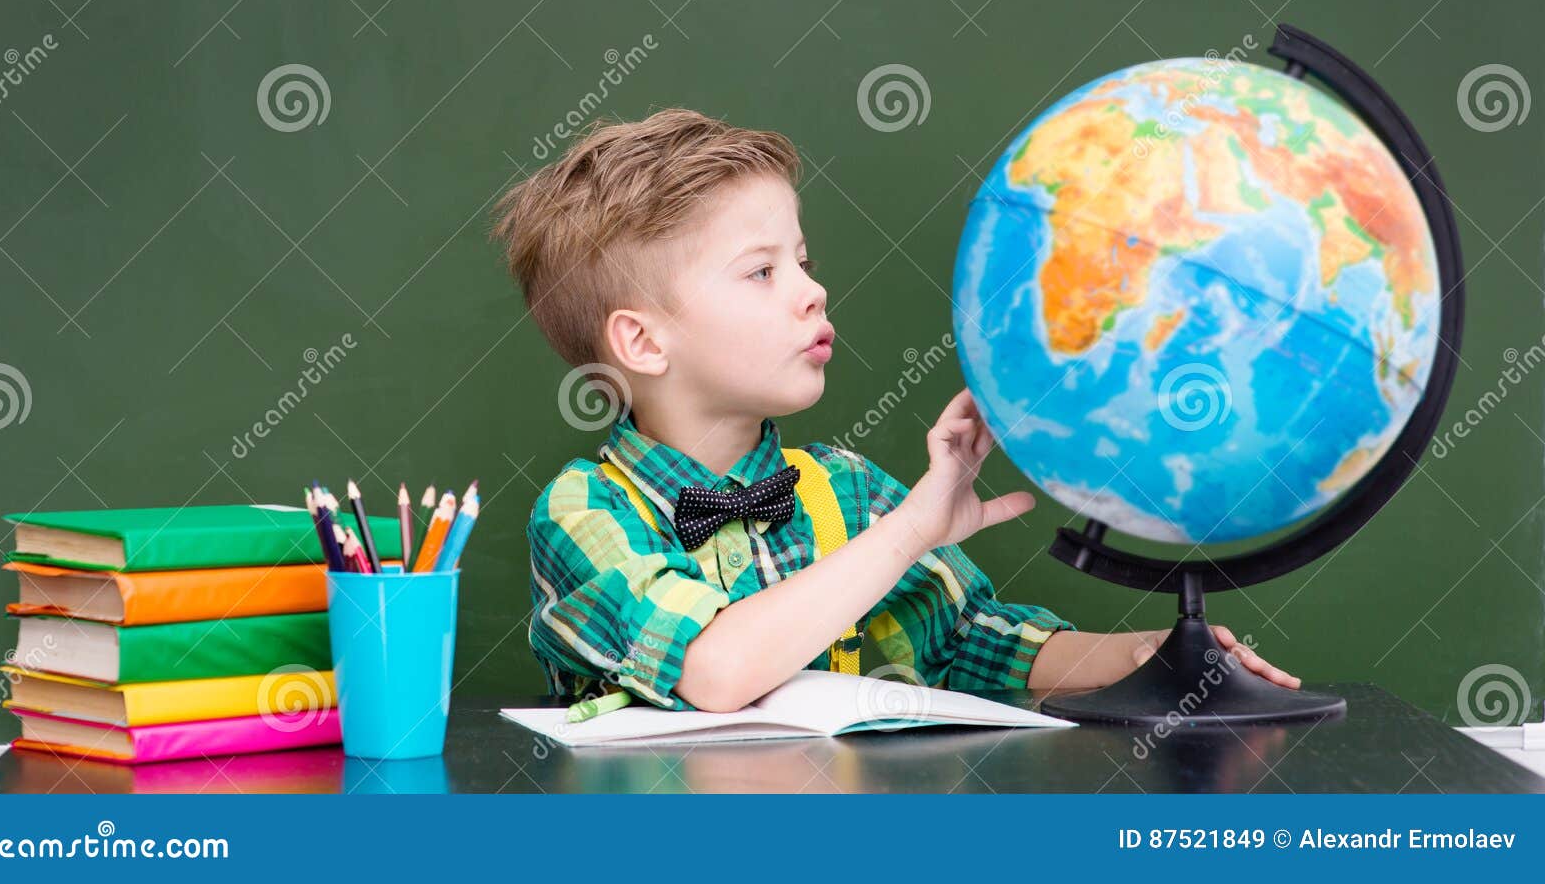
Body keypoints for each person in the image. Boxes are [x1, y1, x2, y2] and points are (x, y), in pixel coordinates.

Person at [490, 108, 1299, 713]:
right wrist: (909, 531)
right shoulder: (582, 512)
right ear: (641, 341)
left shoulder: (849, 493)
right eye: (761, 273)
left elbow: (978, 645)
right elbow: (716, 670)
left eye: (803, 261)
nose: (813, 291)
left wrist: (1152, 656)